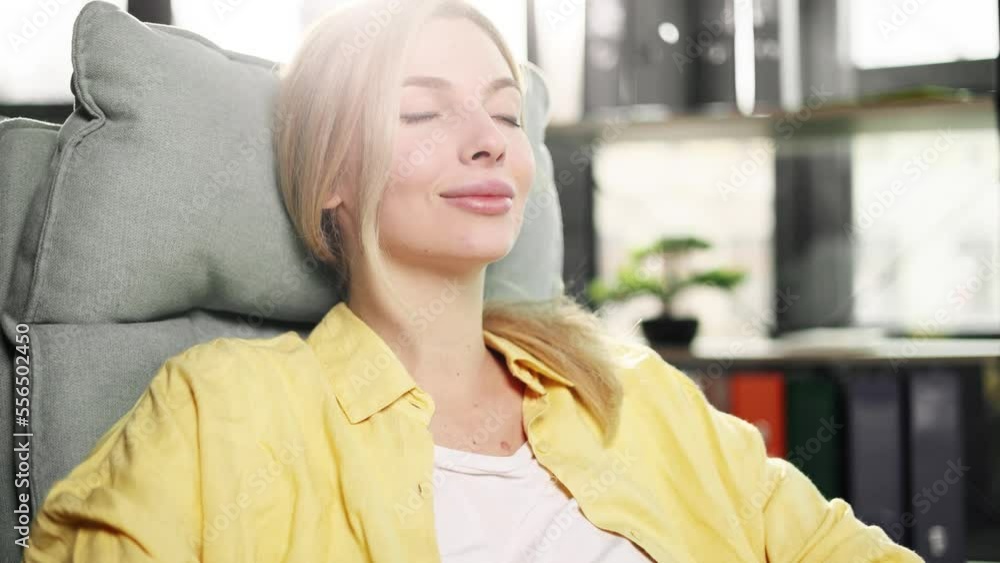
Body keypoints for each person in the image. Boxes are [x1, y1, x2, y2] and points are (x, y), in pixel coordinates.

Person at [22, 0, 924, 561]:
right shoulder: (221, 409)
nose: (493, 138)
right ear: (330, 174)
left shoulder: (631, 392)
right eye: (421, 110)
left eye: (503, 112)